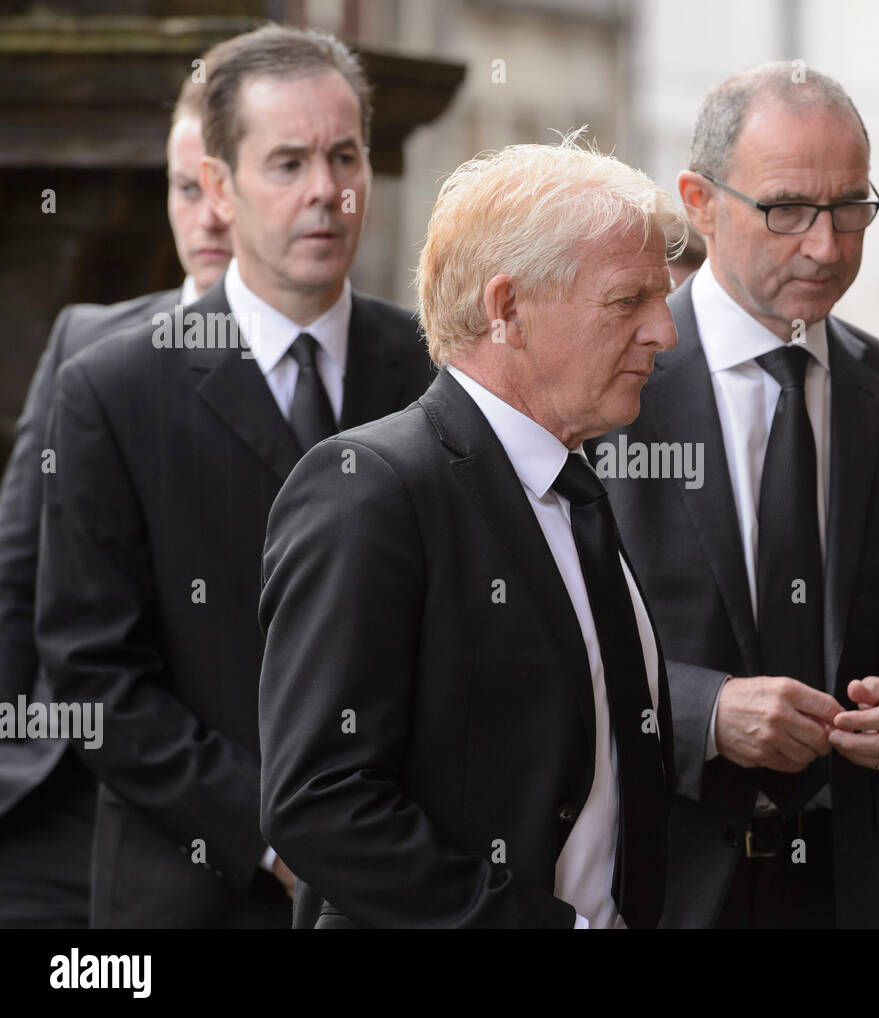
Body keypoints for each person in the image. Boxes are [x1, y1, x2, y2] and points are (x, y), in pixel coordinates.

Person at [34, 24, 431, 928]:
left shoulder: (434, 371)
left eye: (345, 156)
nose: (328, 193)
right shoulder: (112, 387)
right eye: (288, 163)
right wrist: (278, 832)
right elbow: (93, 677)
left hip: (408, 885)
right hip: (190, 893)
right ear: (218, 185)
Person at [258, 134, 682, 928]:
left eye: (661, 298)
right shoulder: (370, 490)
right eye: (628, 301)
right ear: (507, 308)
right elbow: (321, 804)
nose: (666, 331)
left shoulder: (575, 483)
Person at [593, 63, 879, 928]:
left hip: (845, 888)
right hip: (655, 885)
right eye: (787, 209)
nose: (826, 244)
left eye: (850, 207)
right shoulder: (612, 382)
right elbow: (539, 643)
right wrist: (705, 712)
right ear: (698, 199)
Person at [0, 52, 232, 929]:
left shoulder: (356, 371)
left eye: (219, 186)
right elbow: (16, 573)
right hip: (55, 792)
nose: (205, 217)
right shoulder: (86, 341)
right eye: (182, 188)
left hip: (221, 813)